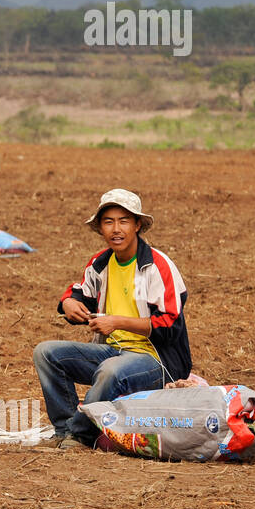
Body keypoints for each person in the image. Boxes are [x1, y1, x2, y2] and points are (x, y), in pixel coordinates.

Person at [33, 189, 193, 450]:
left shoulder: (156, 266)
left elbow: (169, 326)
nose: (116, 229)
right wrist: (68, 303)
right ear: (100, 228)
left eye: (123, 221)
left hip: (155, 360)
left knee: (110, 370)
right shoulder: (101, 263)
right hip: (113, 351)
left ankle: (80, 435)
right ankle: (64, 430)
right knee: (46, 353)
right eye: (108, 222)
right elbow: (79, 293)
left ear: (137, 225)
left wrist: (117, 322)